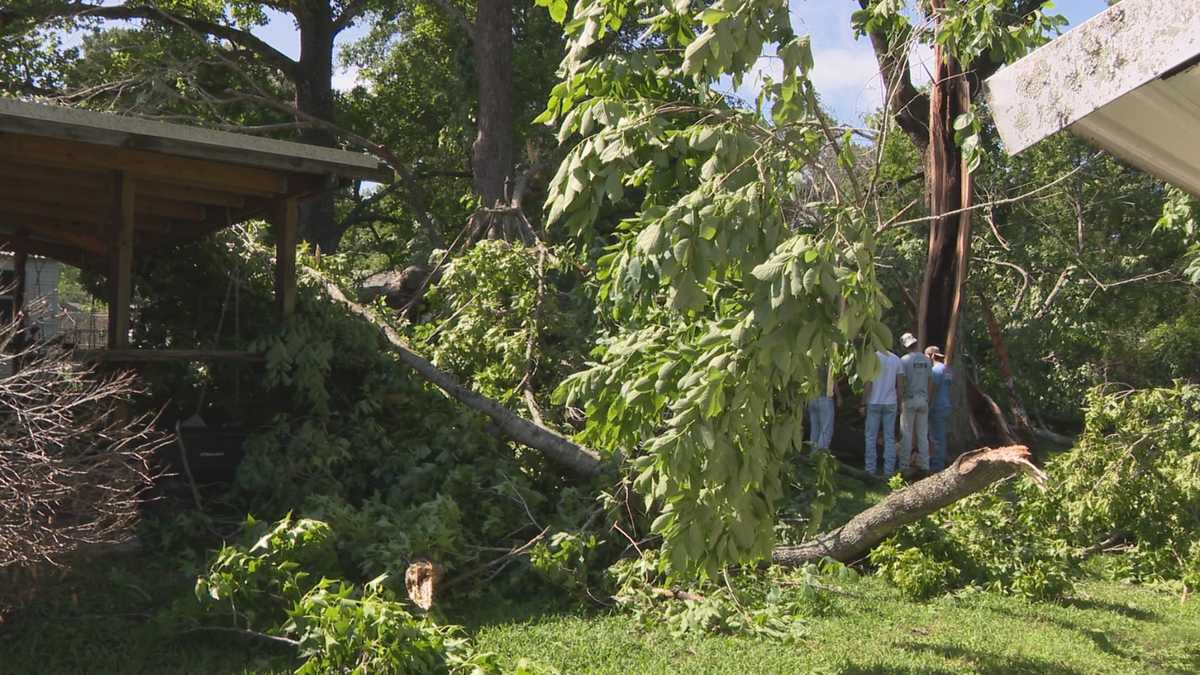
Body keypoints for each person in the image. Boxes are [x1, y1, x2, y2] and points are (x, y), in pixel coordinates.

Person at [861, 348, 902, 475]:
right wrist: (900, 403)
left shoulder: (872, 358)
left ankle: (870, 469)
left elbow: (868, 383)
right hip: (890, 402)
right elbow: (900, 385)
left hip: (874, 401)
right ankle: (889, 470)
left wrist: (863, 402)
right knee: (889, 437)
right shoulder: (896, 359)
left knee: (871, 437)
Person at [897, 332, 933, 474]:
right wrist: (928, 398)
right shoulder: (926, 360)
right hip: (923, 399)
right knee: (922, 435)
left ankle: (904, 466)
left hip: (909, 399)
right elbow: (930, 381)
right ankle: (925, 465)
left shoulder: (904, 360)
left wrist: (901, 399)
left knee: (907, 433)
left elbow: (902, 382)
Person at [925, 345, 953, 471]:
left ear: (931, 355)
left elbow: (933, 389)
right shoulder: (947, 369)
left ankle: (937, 465)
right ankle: (941, 460)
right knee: (941, 436)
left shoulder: (935, 370)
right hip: (946, 405)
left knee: (936, 437)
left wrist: (928, 404)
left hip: (936, 407)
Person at [808, 366, 836, 451]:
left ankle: (813, 457)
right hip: (825, 397)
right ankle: (820, 458)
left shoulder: (812, 357)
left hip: (812, 397)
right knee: (825, 431)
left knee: (814, 431)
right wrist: (838, 396)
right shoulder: (830, 359)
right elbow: (833, 378)